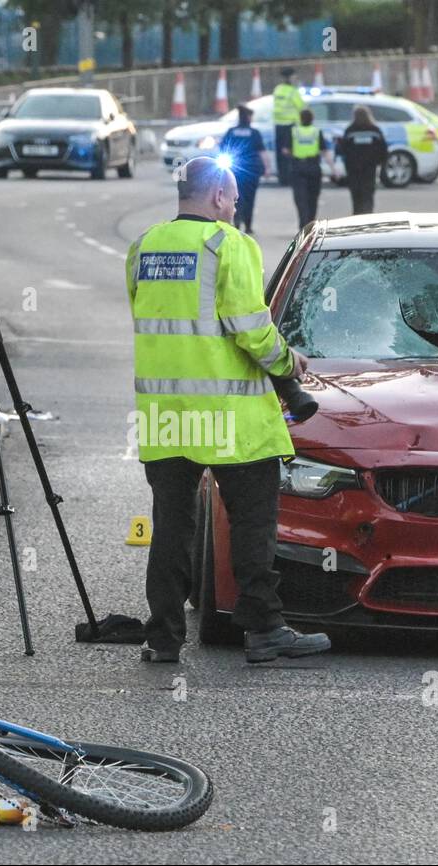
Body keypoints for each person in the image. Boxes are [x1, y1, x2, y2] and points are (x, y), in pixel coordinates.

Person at [124, 156, 332, 665]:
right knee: (252, 525)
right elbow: (252, 331)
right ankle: (263, 629)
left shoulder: (143, 246)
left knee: (171, 528)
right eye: (235, 199)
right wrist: (288, 362)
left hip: (166, 415)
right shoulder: (229, 246)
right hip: (232, 418)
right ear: (218, 197)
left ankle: (164, 638)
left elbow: (150, 316)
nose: (236, 208)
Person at [217, 104, 271, 233]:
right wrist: (267, 168)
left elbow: (222, 149)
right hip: (252, 171)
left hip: (233, 171)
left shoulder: (231, 132)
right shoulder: (254, 133)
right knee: (250, 198)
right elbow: (262, 152)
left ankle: (236, 222)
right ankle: (248, 225)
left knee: (233, 197)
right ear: (248, 117)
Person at [337, 104, 387, 215]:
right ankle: (368, 217)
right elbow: (383, 150)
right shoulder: (375, 130)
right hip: (369, 169)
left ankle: (356, 218)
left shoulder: (350, 130)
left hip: (353, 170)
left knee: (356, 196)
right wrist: (377, 162)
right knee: (368, 195)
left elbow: (343, 150)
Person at [289, 108, 331, 229]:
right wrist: (333, 168)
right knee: (313, 197)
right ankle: (311, 224)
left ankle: (303, 223)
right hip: (313, 167)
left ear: (300, 118)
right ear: (312, 119)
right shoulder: (316, 131)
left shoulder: (294, 131)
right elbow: (324, 150)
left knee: (300, 198)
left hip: (298, 167)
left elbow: (286, 149)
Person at [271, 67, 304, 186]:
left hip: (278, 125)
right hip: (290, 126)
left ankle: (282, 178)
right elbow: (302, 108)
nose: (296, 79)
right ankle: (290, 179)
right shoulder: (293, 91)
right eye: (294, 76)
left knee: (280, 154)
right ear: (290, 77)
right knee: (290, 153)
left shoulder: (277, 89)